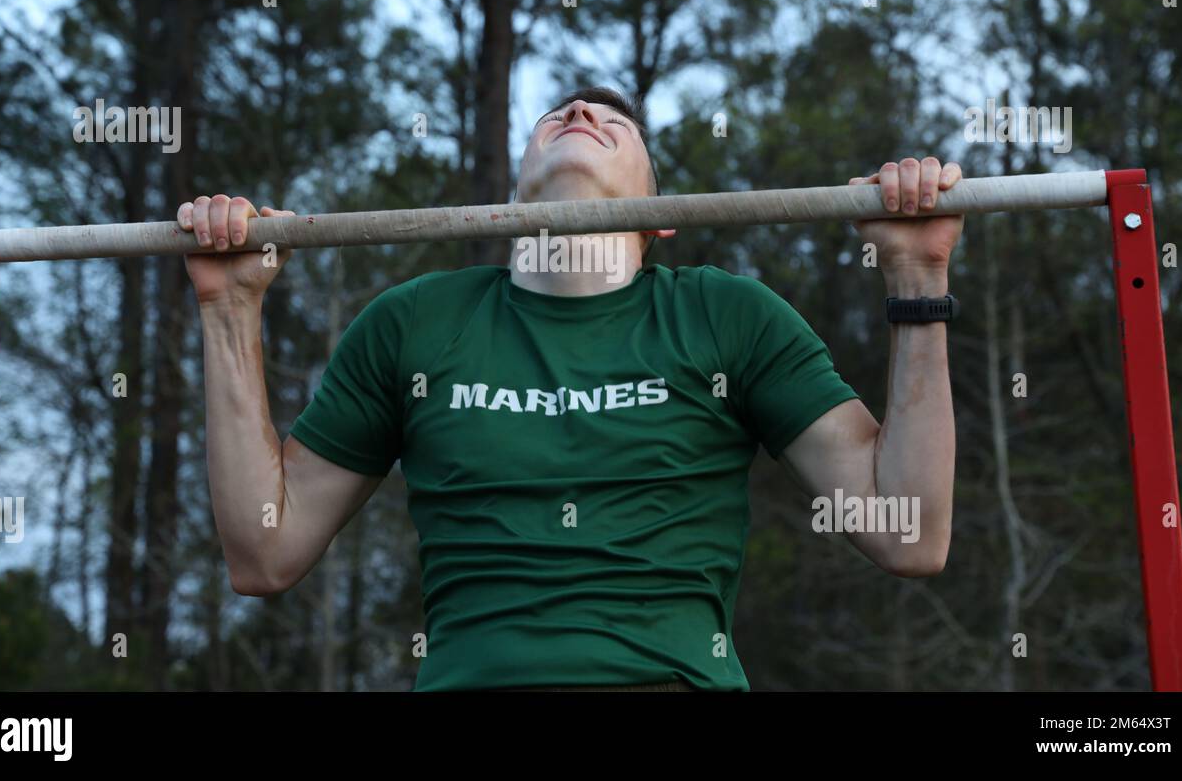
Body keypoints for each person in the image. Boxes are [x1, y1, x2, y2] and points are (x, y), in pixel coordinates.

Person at [179, 86, 964, 691]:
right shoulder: (416, 324)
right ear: (514, 200)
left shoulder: (725, 317)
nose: (581, 108)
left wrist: (918, 278)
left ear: (662, 219)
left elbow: (911, 534)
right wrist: (228, 309)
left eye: (613, 125)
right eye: (557, 114)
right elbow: (265, 550)